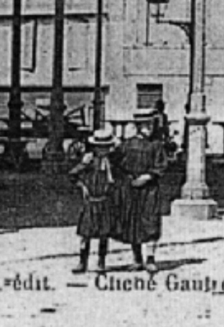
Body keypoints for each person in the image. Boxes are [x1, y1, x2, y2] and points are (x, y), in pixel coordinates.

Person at [114, 108, 168, 272]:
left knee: (150, 221)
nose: (149, 128)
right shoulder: (126, 145)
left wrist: (147, 177)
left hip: (150, 189)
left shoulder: (157, 145)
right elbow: (116, 164)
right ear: (138, 126)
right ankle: (137, 259)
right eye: (146, 125)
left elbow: (161, 165)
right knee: (133, 222)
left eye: (151, 124)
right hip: (131, 189)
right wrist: (128, 178)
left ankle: (150, 259)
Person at [69, 127, 119, 274]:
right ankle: (82, 262)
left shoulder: (111, 162)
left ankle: (101, 262)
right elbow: (73, 174)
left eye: (106, 147)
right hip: (91, 201)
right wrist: (82, 186)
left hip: (105, 201)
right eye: (101, 147)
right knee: (86, 233)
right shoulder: (89, 160)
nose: (104, 150)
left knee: (104, 233)